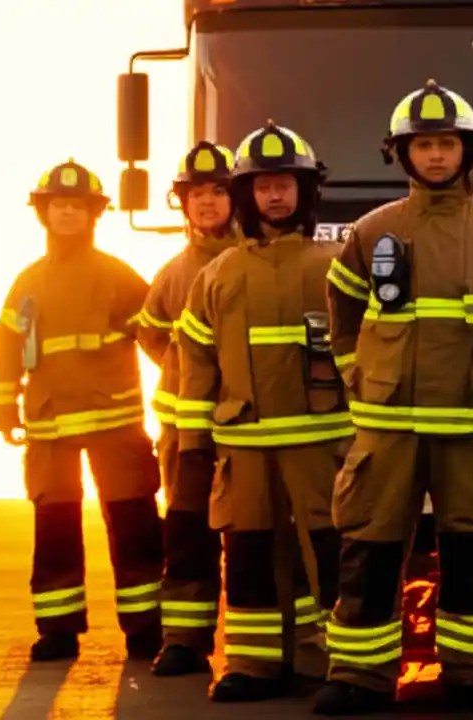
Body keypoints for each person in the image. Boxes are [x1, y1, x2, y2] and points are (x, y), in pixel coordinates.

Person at [314, 80, 473, 716]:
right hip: (388, 430)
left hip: (469, 430)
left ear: (469, 152)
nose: (436, 157)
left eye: (447, 144)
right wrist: (359, 376)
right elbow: (342, 313)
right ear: (401, 155)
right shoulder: (371, 233)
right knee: (369, 552)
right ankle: (358, 677)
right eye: (423, 145)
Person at [176, 122, 349, 702]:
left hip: (321, 443)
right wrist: (191, 440)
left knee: (325, 552)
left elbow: (365, 350)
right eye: (263, 186)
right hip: (243, 446)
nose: (275, 195)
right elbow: (195, 362)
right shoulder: (217, 276)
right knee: (248, 552)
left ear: (305, 191)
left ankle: (325, 659)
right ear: (245, 195)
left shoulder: (336, 266)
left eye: (286, 184)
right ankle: (250, 665)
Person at [0, 159, 162, 662]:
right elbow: (7, 348)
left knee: (134, 527)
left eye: (77, 207)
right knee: (55, 531)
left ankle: (145, 629)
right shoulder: (27, 283)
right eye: (59, 206)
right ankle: (58, 631)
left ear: (94, 214)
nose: (68, 214)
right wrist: (3, 408)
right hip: (48, 428)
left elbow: (156, 339)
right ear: (44, 213)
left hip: (117, 427)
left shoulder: (118, 276)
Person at [134, 141, 241, 676]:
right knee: (187, 534)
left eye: (219, 191)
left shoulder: (255, 263)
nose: (207, 203)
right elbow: (150, 334)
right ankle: (183, 640)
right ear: (183, 203)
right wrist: (181, 375)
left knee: (255, 540)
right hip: (184, 434)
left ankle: (269, 647)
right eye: (196, 194)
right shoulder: (172, 274)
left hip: (251, 430)